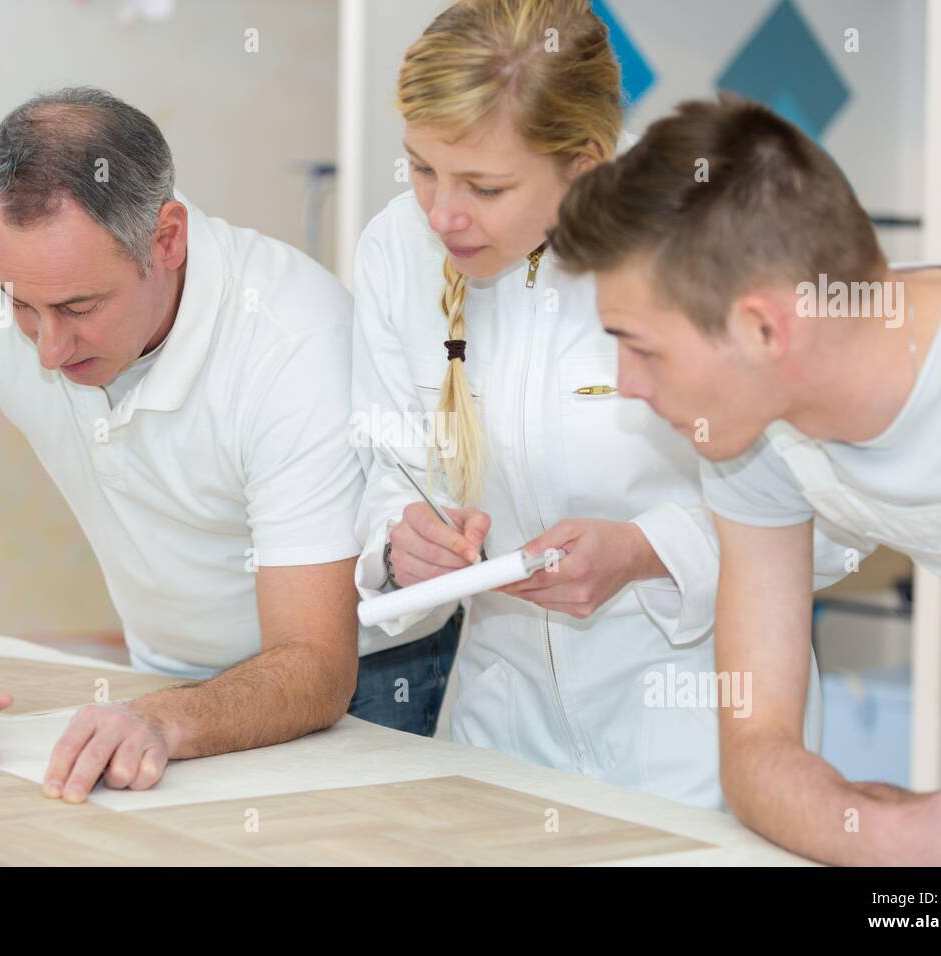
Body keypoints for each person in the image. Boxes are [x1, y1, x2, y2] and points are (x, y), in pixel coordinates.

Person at [0, 88, 366, 804]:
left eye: (78, 309)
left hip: (352, 699)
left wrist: (169, 720)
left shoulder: (294, 341)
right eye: (21, 308)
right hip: (162, 688)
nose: (49, 352)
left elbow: (316, 664)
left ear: (167, 239)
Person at [351, 0, 852, 809]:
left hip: (696, 751)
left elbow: (831, 517)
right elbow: (386, 466)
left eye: (485, 185)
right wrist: (401, 542)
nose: (442, 212)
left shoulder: (706, 248)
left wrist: (646, 552)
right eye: (421, 167)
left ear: (584, 165)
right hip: (495, 742)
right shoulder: (396, 247)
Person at [551, 93, 941, 863]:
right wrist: (892, 830)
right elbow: (754, 755)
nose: (625, 385)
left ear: (763, 327)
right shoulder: (754, 430)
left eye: (641, 348)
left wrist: (916, 832)